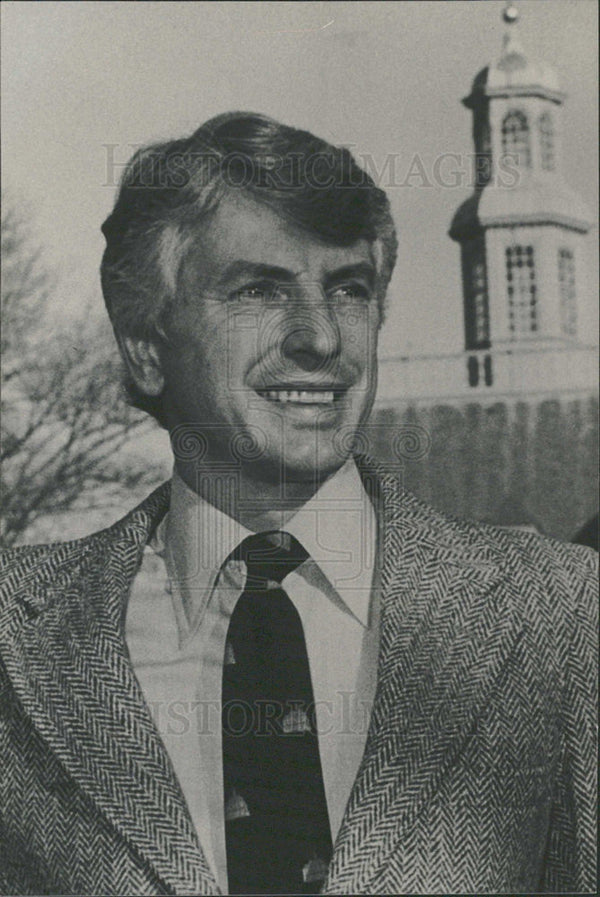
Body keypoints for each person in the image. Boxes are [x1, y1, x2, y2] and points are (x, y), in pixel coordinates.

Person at [0, 112, 597, 896]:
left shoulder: (562, 615)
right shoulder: (19, 633)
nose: (320, 336)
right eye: (258, 289)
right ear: (146, 347)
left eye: (348, 289)